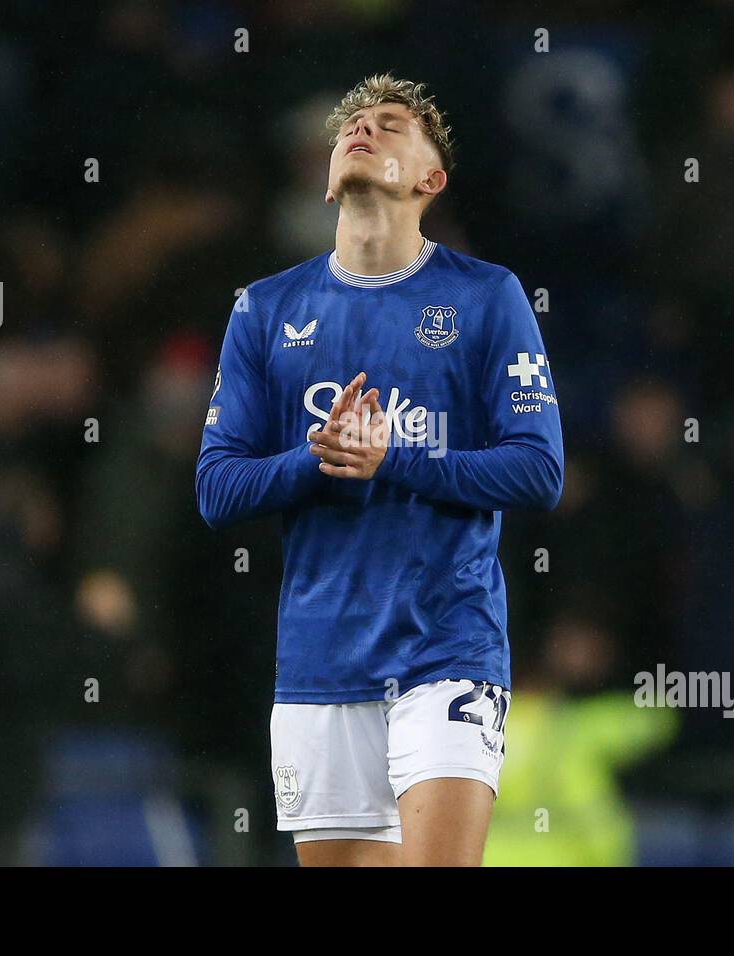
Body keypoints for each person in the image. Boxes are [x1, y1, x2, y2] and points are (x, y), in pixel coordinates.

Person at [196, 74, 564, 866]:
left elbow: (539, 470)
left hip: (447, 645)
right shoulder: (265, 309)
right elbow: (216, 488)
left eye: (392, 125)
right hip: (320, 657)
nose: (365, 129)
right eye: (352, 126)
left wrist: (390, 458)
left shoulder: (487, 298)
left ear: (431, 179)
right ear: (328, 177)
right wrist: (318, 462)